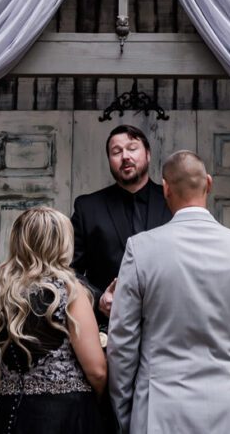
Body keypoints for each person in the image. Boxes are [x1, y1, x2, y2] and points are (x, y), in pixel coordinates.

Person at [105, 150, 230, 434]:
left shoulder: (141, 249)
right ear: (208, 183)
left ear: (166, 189)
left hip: (160, 410)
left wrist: (127, 416)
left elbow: (122, 344)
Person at [0, 206, 109, 434]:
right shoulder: (69, 292)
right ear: (61, 243)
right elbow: (97, 371)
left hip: (9, 417)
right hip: (66, 417)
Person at [70, 123, 172, 323]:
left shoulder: (173, 201)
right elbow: (69, 271)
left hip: (168, 323)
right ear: (109, 160)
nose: (125, 156)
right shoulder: (88, 207)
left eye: (132, 148)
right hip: (108, 325)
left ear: (148, 154)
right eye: (116, 152)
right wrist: (99, 299)